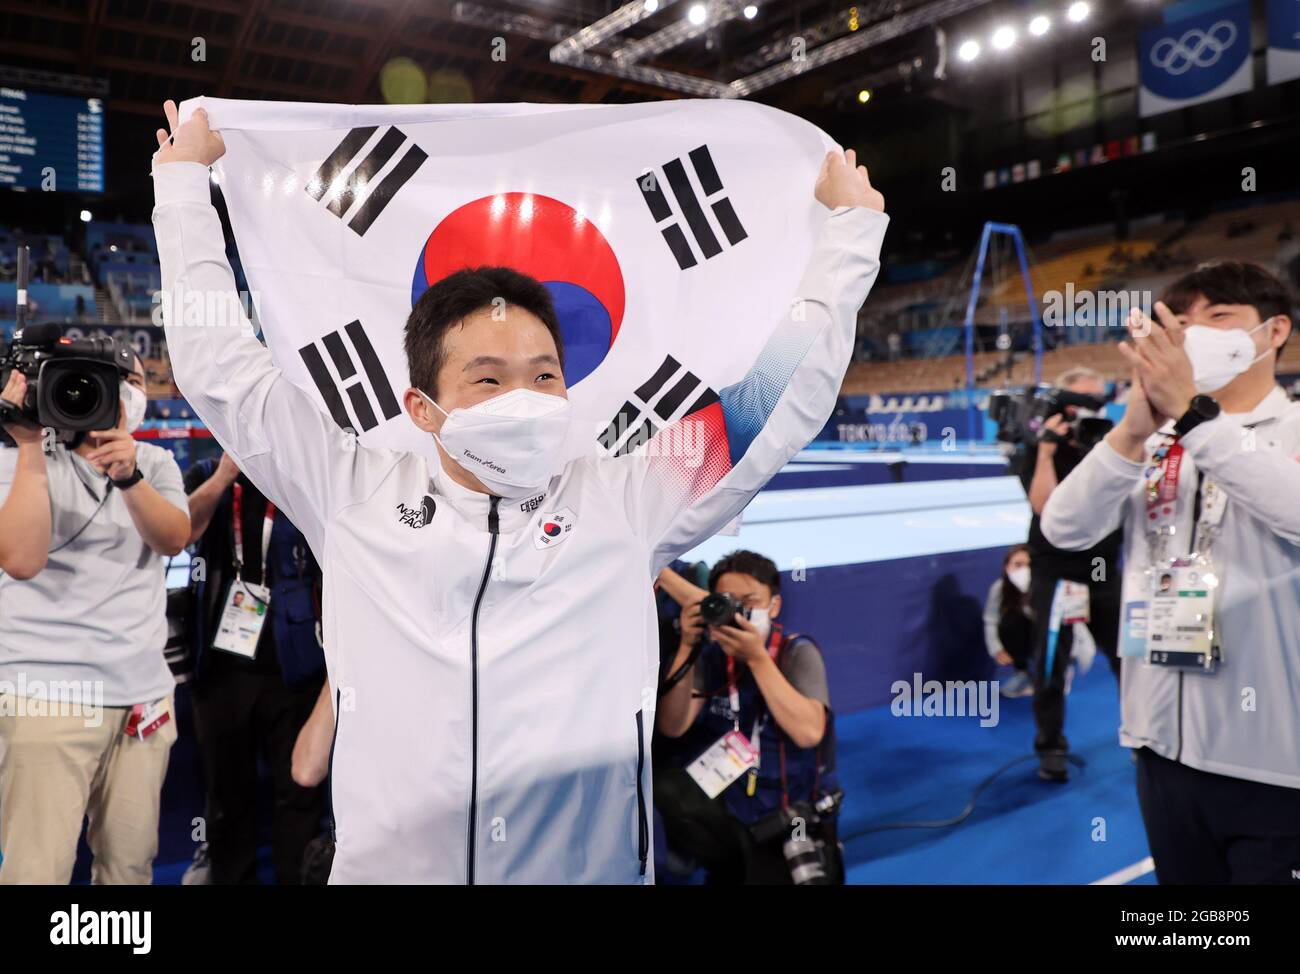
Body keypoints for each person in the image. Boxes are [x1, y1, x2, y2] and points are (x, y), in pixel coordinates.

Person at [151, 100, 888, 883]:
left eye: (544, 375)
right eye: (488, 378)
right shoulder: (349, 492)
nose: (526, 398)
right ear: (420, 409)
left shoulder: (630, 500)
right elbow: (220, 365)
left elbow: (776, 400)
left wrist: (850, 239)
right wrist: (183, 185)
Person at [1042, 260, 1300, 884]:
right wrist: (1133, 433)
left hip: (1276, 765)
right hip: (1160, 751)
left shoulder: (1291, 428)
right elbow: (1064, 529)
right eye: (1182, 322)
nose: (1194, 334)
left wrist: (1195, 417)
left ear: (1273, 332)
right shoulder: (1156, 446)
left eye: (1218, 317)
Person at [0, 349, 190, 884]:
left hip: (141, 698)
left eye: (121, 381)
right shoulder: (14, 462)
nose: (94, 395)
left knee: (130, 868)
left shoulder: (154, 464)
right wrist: (30, 445)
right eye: (74, 384)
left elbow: (173, 538)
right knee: (38, 871)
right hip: (46, 697)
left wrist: (128, 477)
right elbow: (22, 558)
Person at [182, 450, 328, 884]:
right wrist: (225, 477)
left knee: (299, 793)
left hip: (295, 664)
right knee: (227, 796)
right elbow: (179, 532)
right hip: (222, 668)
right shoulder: (207, 472)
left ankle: (296, 877)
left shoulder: (303, 475)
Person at [654, 551, 840, 884]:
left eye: (749, 602)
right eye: (727, 602)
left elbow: (810, 733)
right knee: (664, 788)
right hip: (730, 806)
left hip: (788, 818)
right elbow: (673, 725)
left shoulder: (795, 652)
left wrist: (757, 659)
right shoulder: (710, 653)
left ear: (775, 606)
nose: (738, 612)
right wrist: (687, 645)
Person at [1018, 365, 1121, 782]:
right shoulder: (1042, 445)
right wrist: (1045, 451)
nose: (1087, 413)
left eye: (1097, 402)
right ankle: (1051, 748)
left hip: (1102, 569)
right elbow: (1042, 507)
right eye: (1079, 403)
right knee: (1049, 667)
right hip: (1056, 572)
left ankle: (1146, 736)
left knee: (1127, 660)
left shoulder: (1114, 443)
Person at [983, 544, 1034, 698]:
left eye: (1030, 565)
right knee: (1011, 623)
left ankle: (1057, 674)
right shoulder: (999, 589)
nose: (1024, 570)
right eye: (1018, 565)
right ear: (1007, 567)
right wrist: (996, 648)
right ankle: (1022, 673)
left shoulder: (1047, 587)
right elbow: (990, 620)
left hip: (1054, 639)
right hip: (1023, 635)